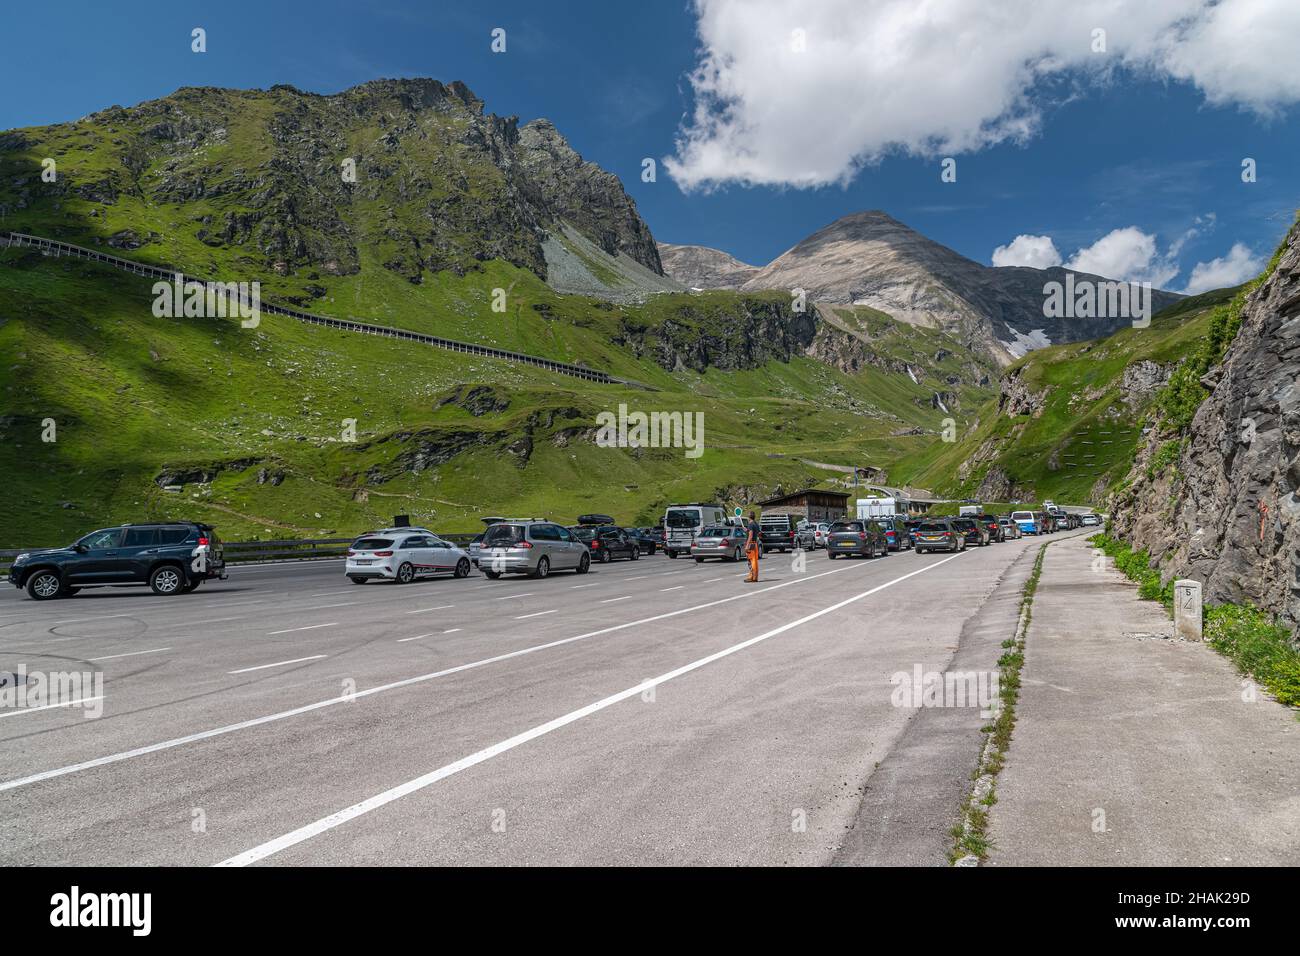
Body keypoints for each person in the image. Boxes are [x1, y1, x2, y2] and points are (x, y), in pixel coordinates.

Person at [744, 511, 761, 583]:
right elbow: (758, 533)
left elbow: (750, 536)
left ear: (749, 517)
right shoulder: (756, 524)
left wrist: (747, 545)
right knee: (755, 561)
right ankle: (755, 577)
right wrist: (747, 530)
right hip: (755, 544)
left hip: (751, 544)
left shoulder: (750, 524)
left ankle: (752, 577)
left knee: (751, 561)